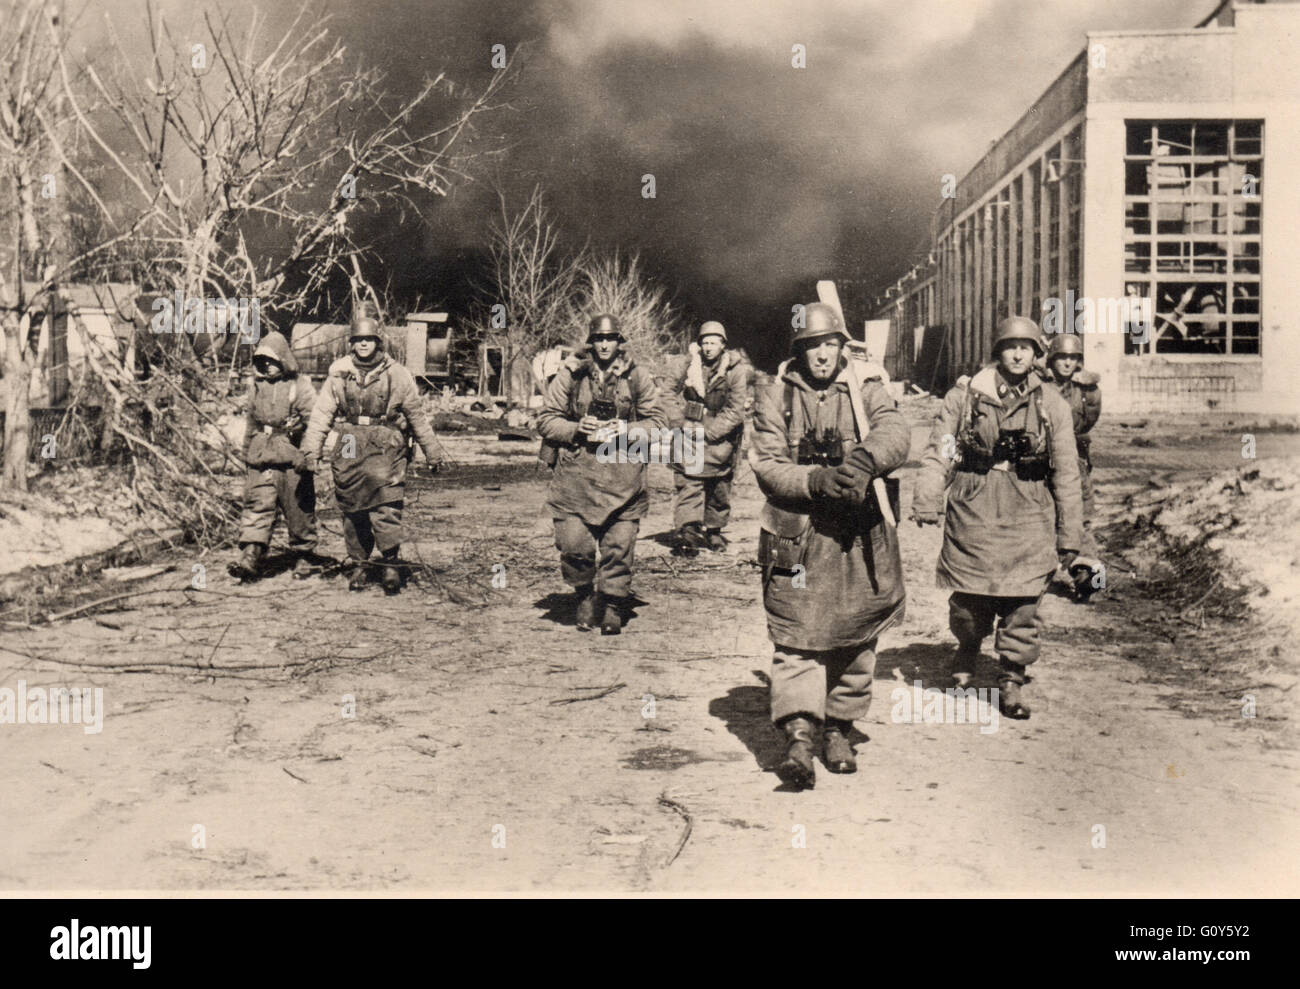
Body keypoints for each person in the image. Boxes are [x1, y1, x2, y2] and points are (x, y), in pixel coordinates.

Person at [751, 302, 909, 789]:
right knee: (796, 634)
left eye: (829, 343)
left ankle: (839, 726)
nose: (821, 354)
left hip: (859, 531)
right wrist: (816, 479)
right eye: (811, 346)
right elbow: (767, 463)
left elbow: (897, 432)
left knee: (857, 630)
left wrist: (864, 462)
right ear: (798, 351)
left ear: (842, 346)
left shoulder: (867, 387)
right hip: (798, 532)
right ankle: (800, 737)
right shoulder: (774, 394)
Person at [912, 316, 1083, 718]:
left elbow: (1066, 470)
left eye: (1027, 347)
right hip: (975, 503)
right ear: (997, 352)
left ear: (1038, 354)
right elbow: (941, 450)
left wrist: (1069, 533)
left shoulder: (1051, 404)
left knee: (1023, 603)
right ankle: (968, 648)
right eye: (1011, 346)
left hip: (1029, 507)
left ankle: (1011, 678)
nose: (1019, 354)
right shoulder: (966, 397)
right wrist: (927, 498)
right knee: (970, 603)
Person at [536, 313, 667, 635]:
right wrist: (576, 427)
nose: (604, 344)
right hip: (576, 476)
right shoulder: (571, 374)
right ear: (591, 342)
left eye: (610, 339)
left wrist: (626, 428)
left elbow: (659, 424)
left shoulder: (637, 376)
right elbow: (546, 419)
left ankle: (611, 602)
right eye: (599, 339)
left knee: (619, 546)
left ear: (619, 342)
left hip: (623, 475)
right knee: (573, 544)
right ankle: (583, 594)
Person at [301, 311, 444, 594]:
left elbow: (416, 415)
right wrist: (311, 451)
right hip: (351, 440)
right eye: (359, 339)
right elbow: (321, 415)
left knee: (386, 505)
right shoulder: (338, 373)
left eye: (369, 339)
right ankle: (360, 564)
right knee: (352, 507)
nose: (364, 344)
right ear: (351, 343)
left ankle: (390, 563)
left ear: (378, 342)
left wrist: (433, 452)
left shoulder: (397, 374)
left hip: (385, 442)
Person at [229, 331, 319, 581]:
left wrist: (308, 452)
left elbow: (314, 421)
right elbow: (250, 422)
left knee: (298, 507)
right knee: (258, 503)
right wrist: (246, 453)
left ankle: (304, 556)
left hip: (291, 455)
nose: (267, 366)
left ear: (283, 359)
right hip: (262, 453)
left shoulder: (299, 386)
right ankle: (251, 554)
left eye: (272, 360)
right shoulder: (256, 386)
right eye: (262, 360)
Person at [668, 320, 751, 554]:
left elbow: (736, 409)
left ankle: (714, 530)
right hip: (689, 432)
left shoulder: (735, 370)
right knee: (689, 483)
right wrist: (679, 422)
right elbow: (666, 393)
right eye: (704, 342)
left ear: (723, 345)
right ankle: (688, 533)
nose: (708, 347)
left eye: (714, 342)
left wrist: (712, 432)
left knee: (719, 487)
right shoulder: (687, 364)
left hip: (720, 437)